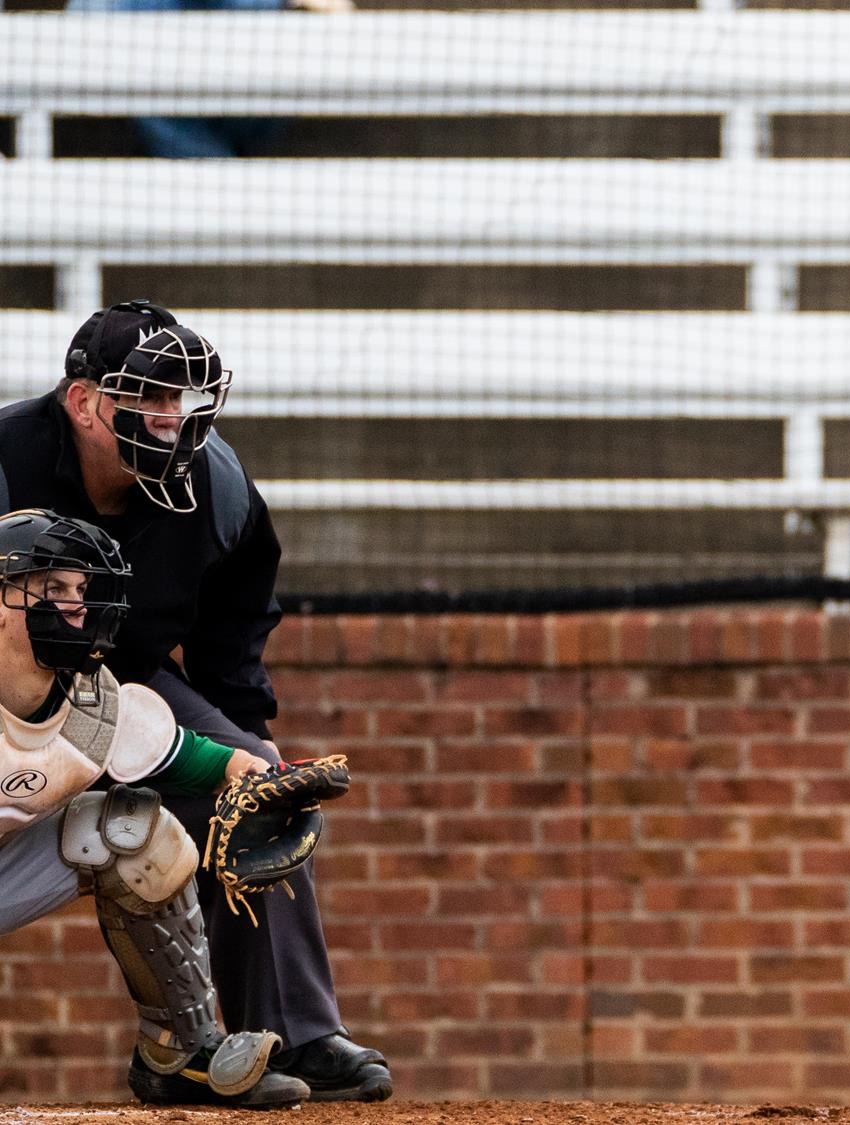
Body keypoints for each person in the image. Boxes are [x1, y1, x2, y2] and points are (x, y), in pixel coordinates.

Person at [0, 301, 392, 1103]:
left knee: (244, 794)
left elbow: (237, 606)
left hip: (118, 683)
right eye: (148, 398)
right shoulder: (4, 458)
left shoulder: (213, 483)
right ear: (83, 402)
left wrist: (243, 737)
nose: (172, 420)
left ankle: (258, 1039)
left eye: (182, 399)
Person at [0, 508, 308, 1108]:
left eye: (81, 591)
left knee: (134, 829)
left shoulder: (93, 703)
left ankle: (181, 1052)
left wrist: (251, 771)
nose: (75, 607)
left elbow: (185, 757)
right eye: (52, 589)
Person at [65, 0, 355, 160]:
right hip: (169, 93)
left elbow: (341, 25)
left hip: (252, 104)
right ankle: (214, 175)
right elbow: (78, 34)